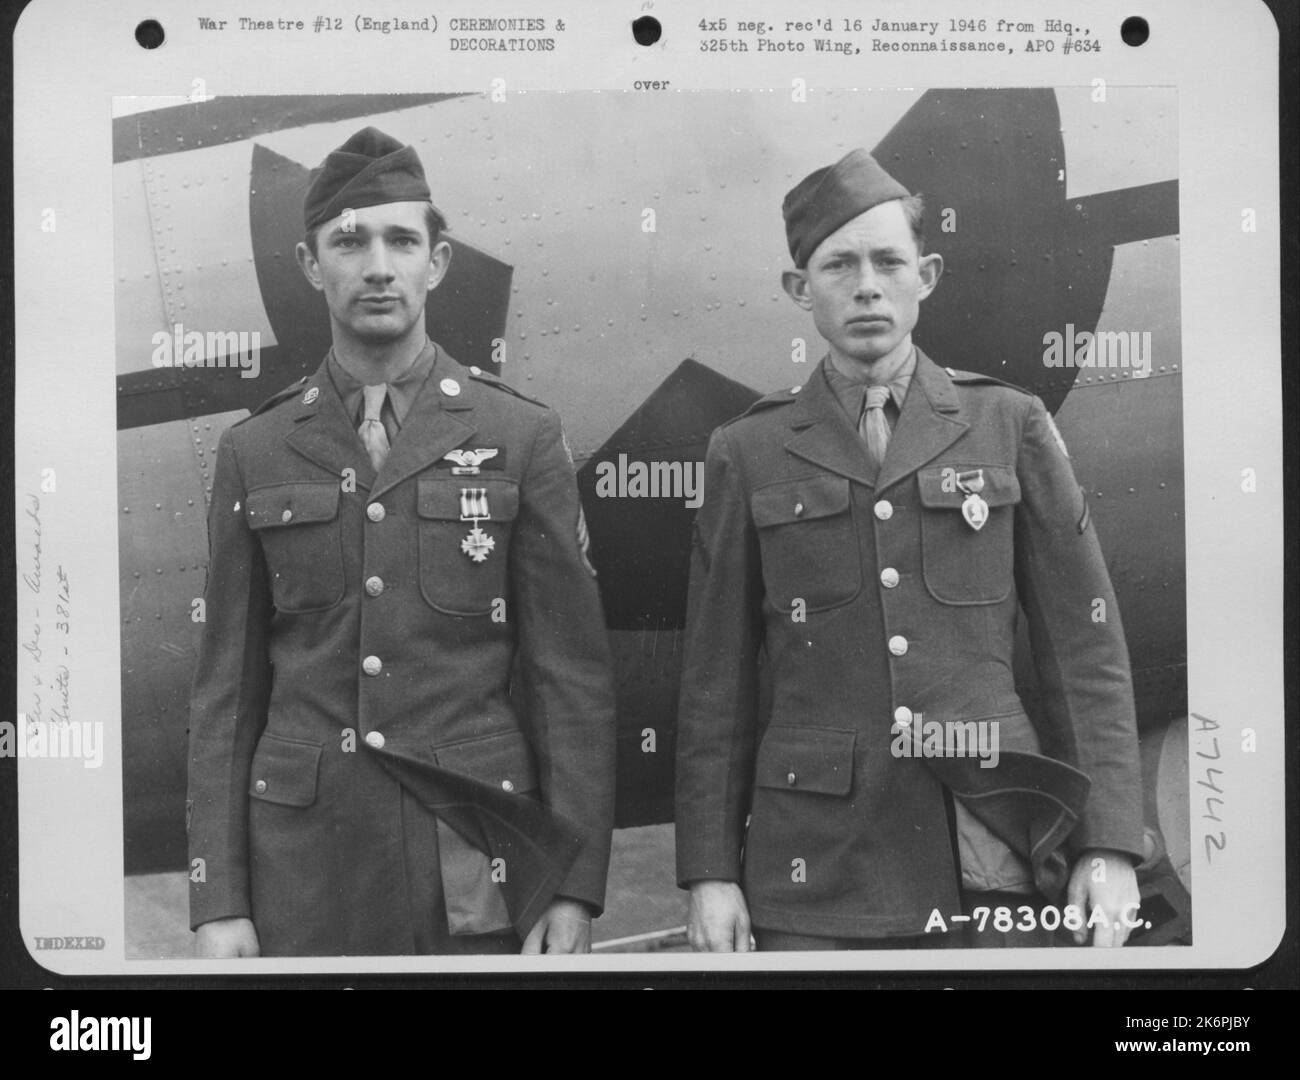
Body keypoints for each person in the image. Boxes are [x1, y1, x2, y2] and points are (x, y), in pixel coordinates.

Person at [675, 149, 1145, 951]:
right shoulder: (747, 449)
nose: (867, 285)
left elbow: (1083, 648)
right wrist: (711, 872)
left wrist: (1108, 844)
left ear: (925, 274)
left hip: (988, 842)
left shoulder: (1009, 422)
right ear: (800, 289)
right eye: (839, 265)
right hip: (816, 868)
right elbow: (717, 680)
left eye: (889, 261)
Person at [187, 127, 616, 957]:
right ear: (312, 265)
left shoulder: (518, 435)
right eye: (349, 241)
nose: (377, 265)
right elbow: (225, 697)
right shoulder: (255, 451)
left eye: (401, 240)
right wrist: (218, 900)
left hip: (473, 853)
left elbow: (569, 680)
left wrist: (573, 885)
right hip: (307, 873)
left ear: (438, 261)